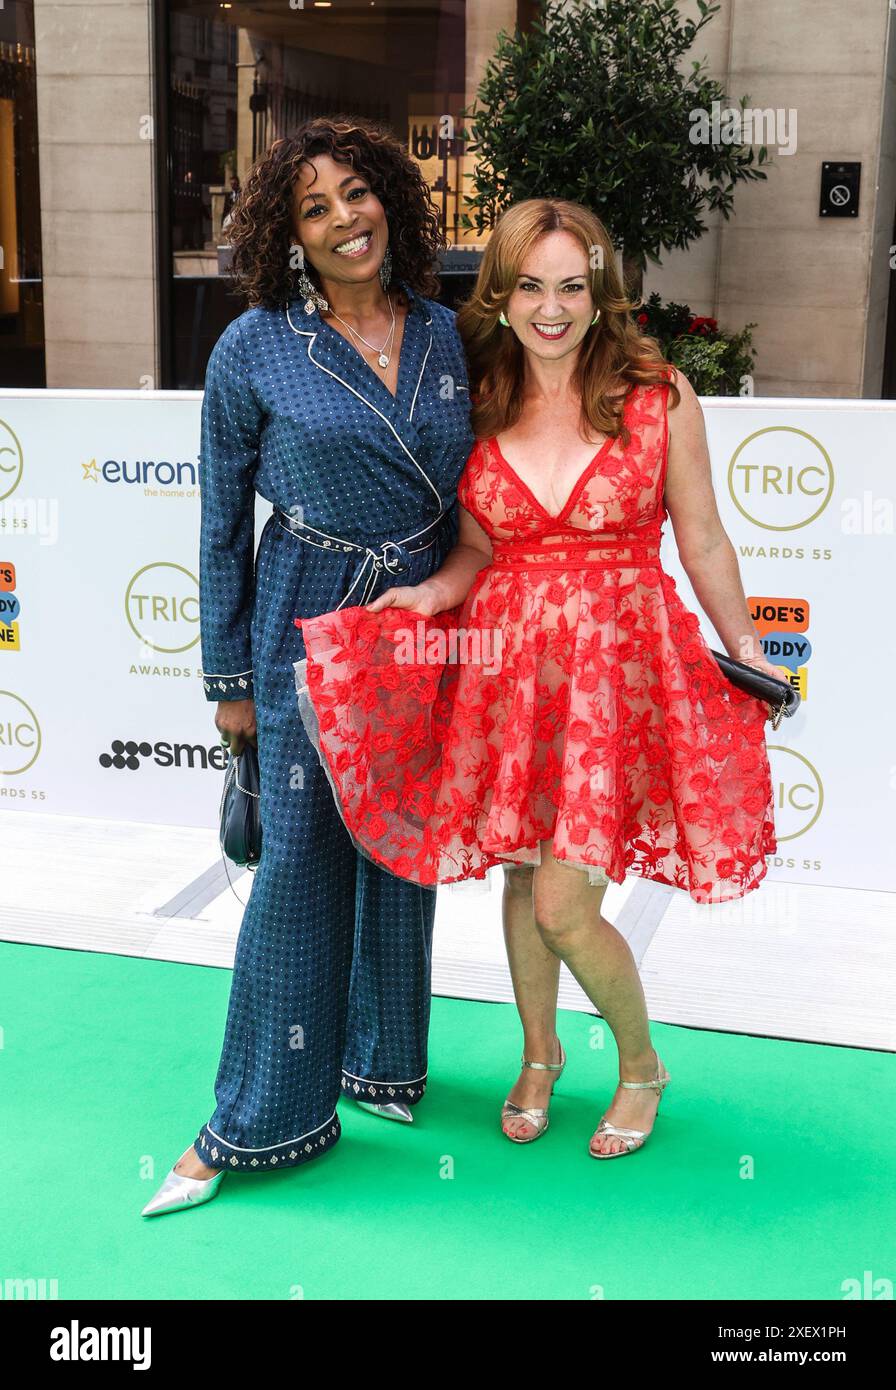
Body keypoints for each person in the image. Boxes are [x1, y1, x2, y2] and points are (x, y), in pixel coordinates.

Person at [294, 197, 783, 1163]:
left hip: (615, 670)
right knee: (522, 879)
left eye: (572, 286)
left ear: (601, 293)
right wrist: (435, 591)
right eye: (531, 286)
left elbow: (706, 538)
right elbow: (479, 543)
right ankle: (541, 1054)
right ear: (503, 293)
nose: (551, 307)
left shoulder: (658, 396)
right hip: (509, 667)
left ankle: (640, 1065)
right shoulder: (477, 400)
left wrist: (749, 643)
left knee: (566, 903)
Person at [141, 117, 476, 1217]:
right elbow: (217, 523)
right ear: (286, 235)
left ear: (392, 197)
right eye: (314, 207)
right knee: (296, 874)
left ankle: (379, 1064)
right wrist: (227, 677)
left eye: (357, 193)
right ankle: (256, 1116)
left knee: (400, 856)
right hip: (304, 614)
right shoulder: (254, 348)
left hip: (420, 620)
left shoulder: (445, 333)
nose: (344, 219)